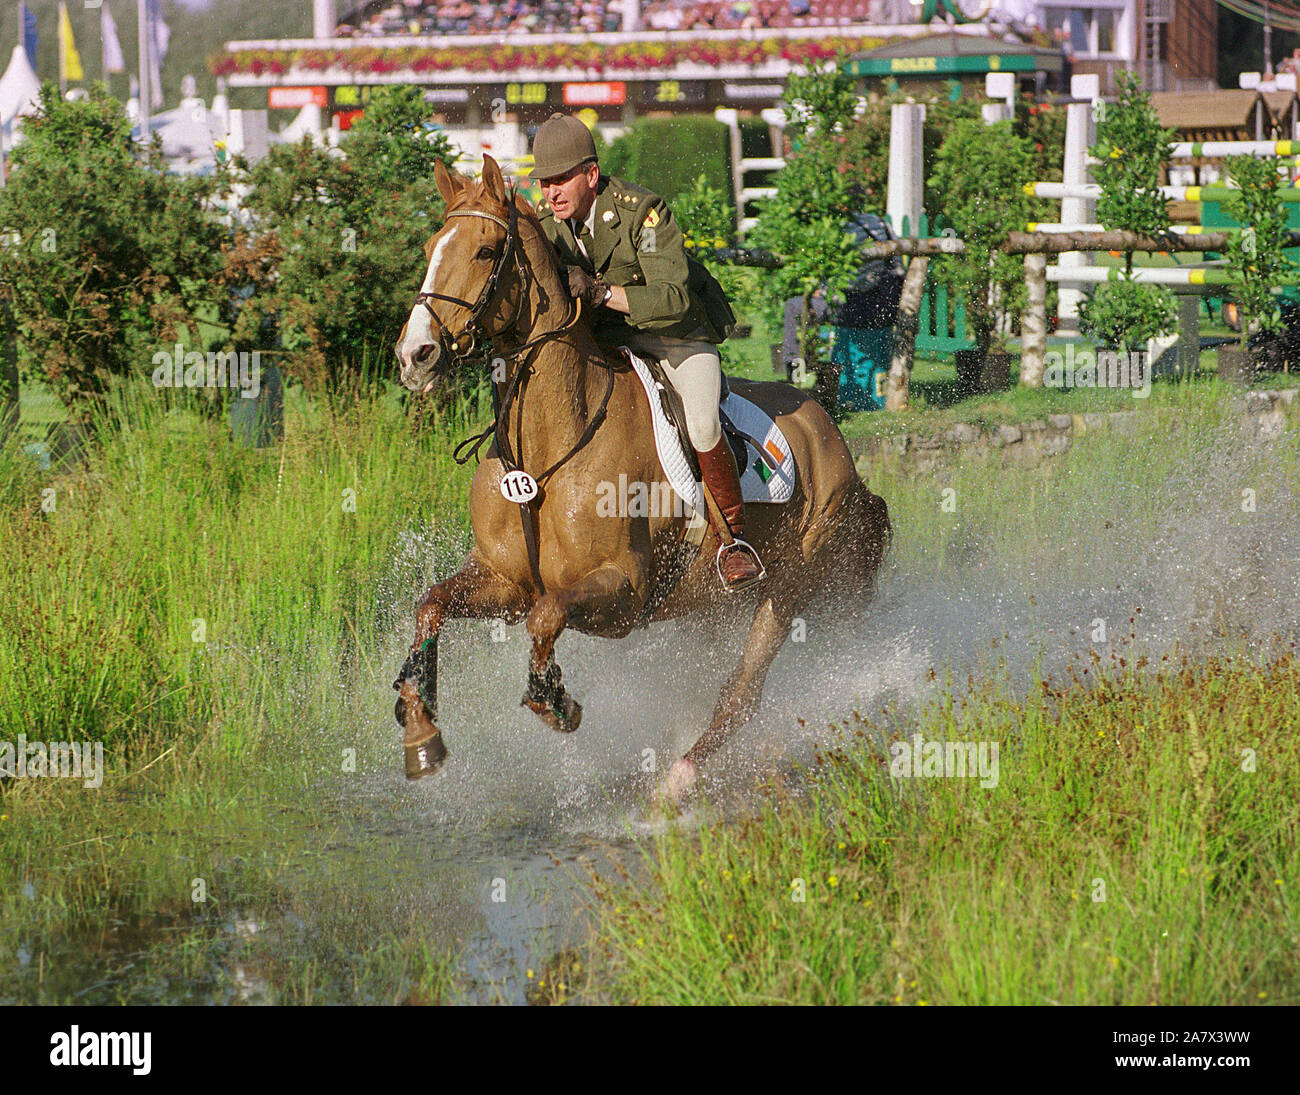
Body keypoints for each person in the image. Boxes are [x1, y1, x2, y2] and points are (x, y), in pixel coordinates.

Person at [529, 112, 763, 591]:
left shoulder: (643, 213)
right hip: (615, 341)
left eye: (560, 180)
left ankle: (733, 540)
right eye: (544, 182)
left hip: (678, 335)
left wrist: (600, 294)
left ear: (591, 175)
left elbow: (673, 297)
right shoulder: (551, 226)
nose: (551, 192)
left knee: (700, 421)